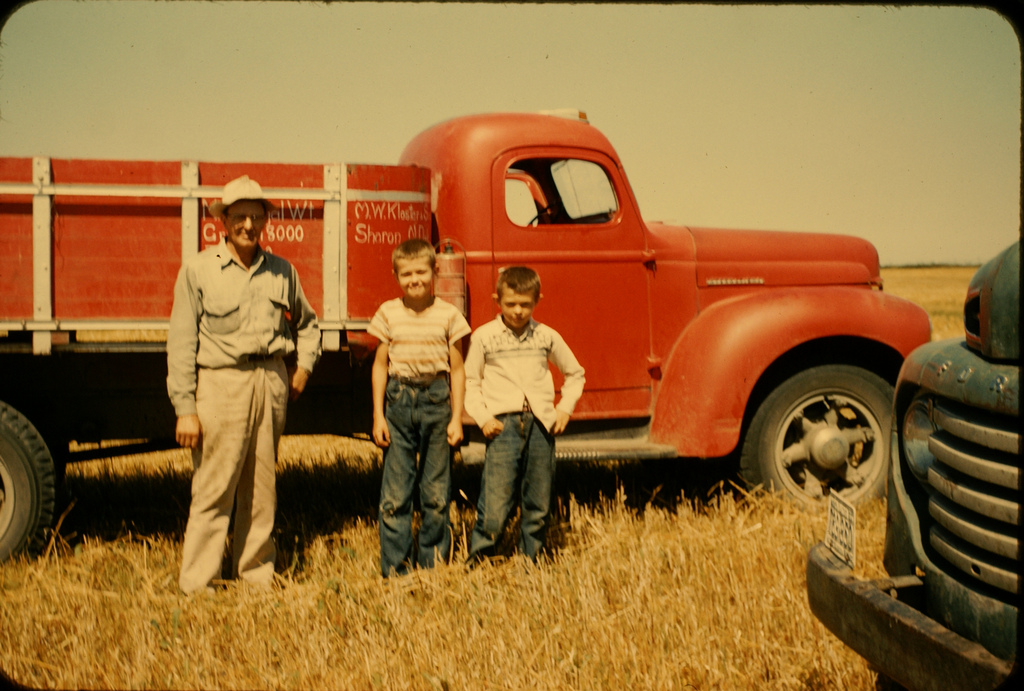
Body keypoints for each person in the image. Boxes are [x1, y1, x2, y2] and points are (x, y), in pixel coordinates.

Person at [166, 175, 321, 594]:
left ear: (266, 221)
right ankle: (198, 584)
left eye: (256, 216)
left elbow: (308, 324)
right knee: (215, 486)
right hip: (221, 384)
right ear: (224, 221)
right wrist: (185, 408)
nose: (249, 225)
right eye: (239, 217)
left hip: (270, 381)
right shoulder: (198, 271)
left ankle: (254, 576)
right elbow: (181, 344)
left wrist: (302, 368)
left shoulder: (282, 271)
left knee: (261, 486)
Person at [464, 266, 585, 564]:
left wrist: (564, 409)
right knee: (495, 501)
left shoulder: (546, 336)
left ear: (537, 301)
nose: (518, 311)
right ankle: (481, 559)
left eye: (525, 304)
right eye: (510, 304)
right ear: (497, 300)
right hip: (502, 426)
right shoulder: (484, 337)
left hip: (541, 426)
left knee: (538, 500)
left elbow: (575, 373)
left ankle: (528, 562)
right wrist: (483, 418)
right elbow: (470, 382)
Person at [369, 238, 471, 577]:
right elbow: (380, 365)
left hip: (436, 402)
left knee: (436, 493)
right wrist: (378, 415)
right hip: (398, 402)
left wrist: (457, 418)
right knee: (395, 494)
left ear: (435, 271)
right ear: (396, 275)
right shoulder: (388, 312)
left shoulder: (449, 315)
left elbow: (457, 368)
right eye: (406, 273)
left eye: (421, 272)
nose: (414, 279)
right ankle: (396, 570)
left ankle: (432, 567)